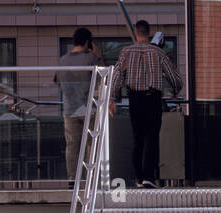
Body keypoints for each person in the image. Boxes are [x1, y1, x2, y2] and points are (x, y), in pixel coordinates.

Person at [110, 20, 183, 188]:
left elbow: (117, 76)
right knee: (152, 136)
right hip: (152, 98)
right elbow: (174, 77)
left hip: (135, 98)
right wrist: (175, 90)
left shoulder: (126, 52)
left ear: (136, 33)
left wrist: (114, 97)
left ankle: (139, 178)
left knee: (138, 138)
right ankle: (149, 177)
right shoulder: (158, 52)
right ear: (149, 33)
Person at [54, 28, 100, 180]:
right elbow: (102, 79)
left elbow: (58, 83)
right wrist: (98, 56)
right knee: (91, 144)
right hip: (89, 109)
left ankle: (72, 178)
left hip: (70, 109)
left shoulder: (62, 60)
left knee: (72, 145)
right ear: (88, 42)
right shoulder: (91, 59)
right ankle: (91, 178)